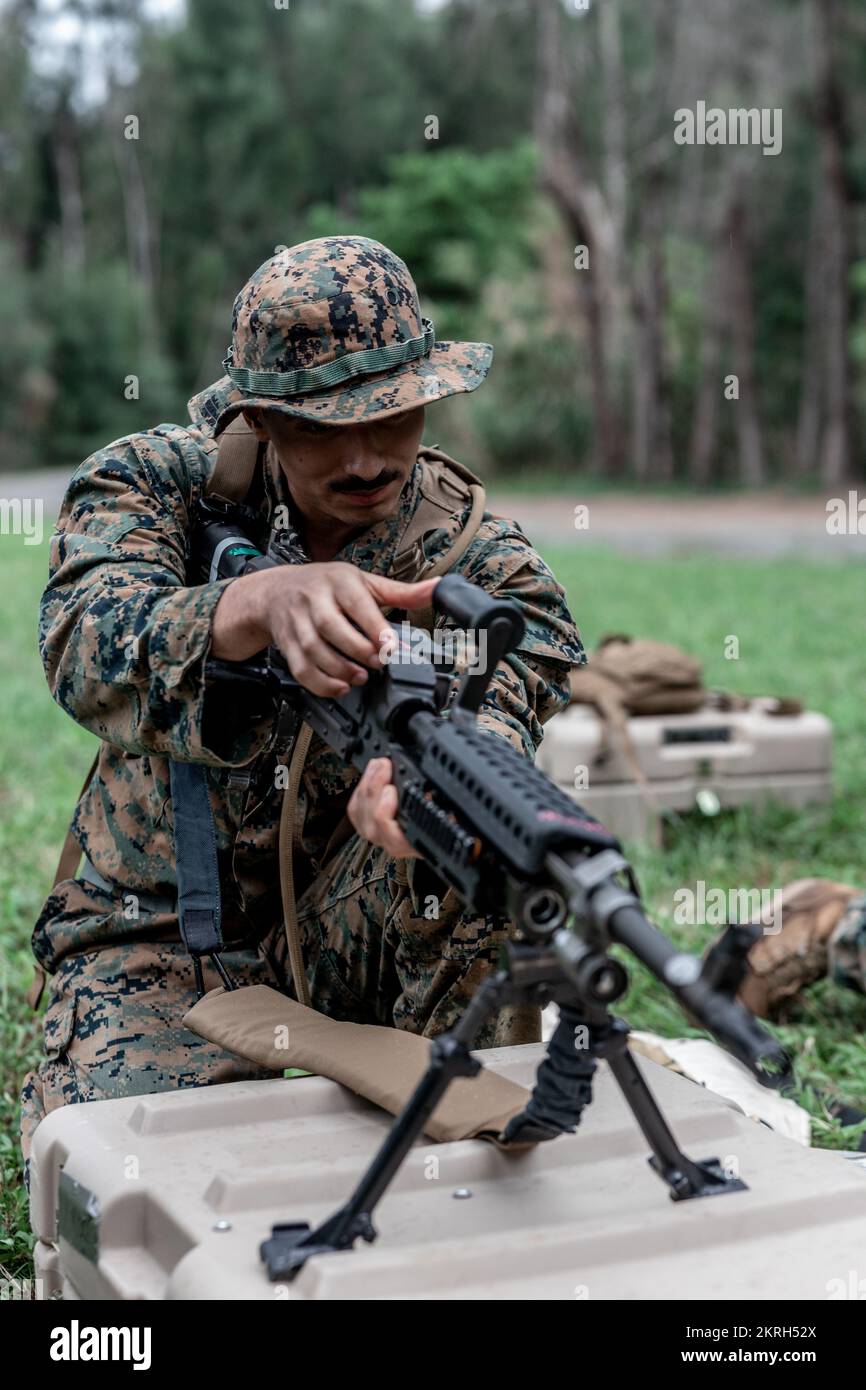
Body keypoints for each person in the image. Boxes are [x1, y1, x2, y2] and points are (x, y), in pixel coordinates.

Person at [20, 235, 583, 1165]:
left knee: (494, 840)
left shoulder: (476, 557)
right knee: (134, 1172)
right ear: (260, 419)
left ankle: (471, 1146)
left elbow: (522, 666)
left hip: (347, 918)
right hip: (158, 932)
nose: (363, 459)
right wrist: (247, 606)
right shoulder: (157, 482)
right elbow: (83, 639)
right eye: (321, 427)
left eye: (391, 416)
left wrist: (451, 763)